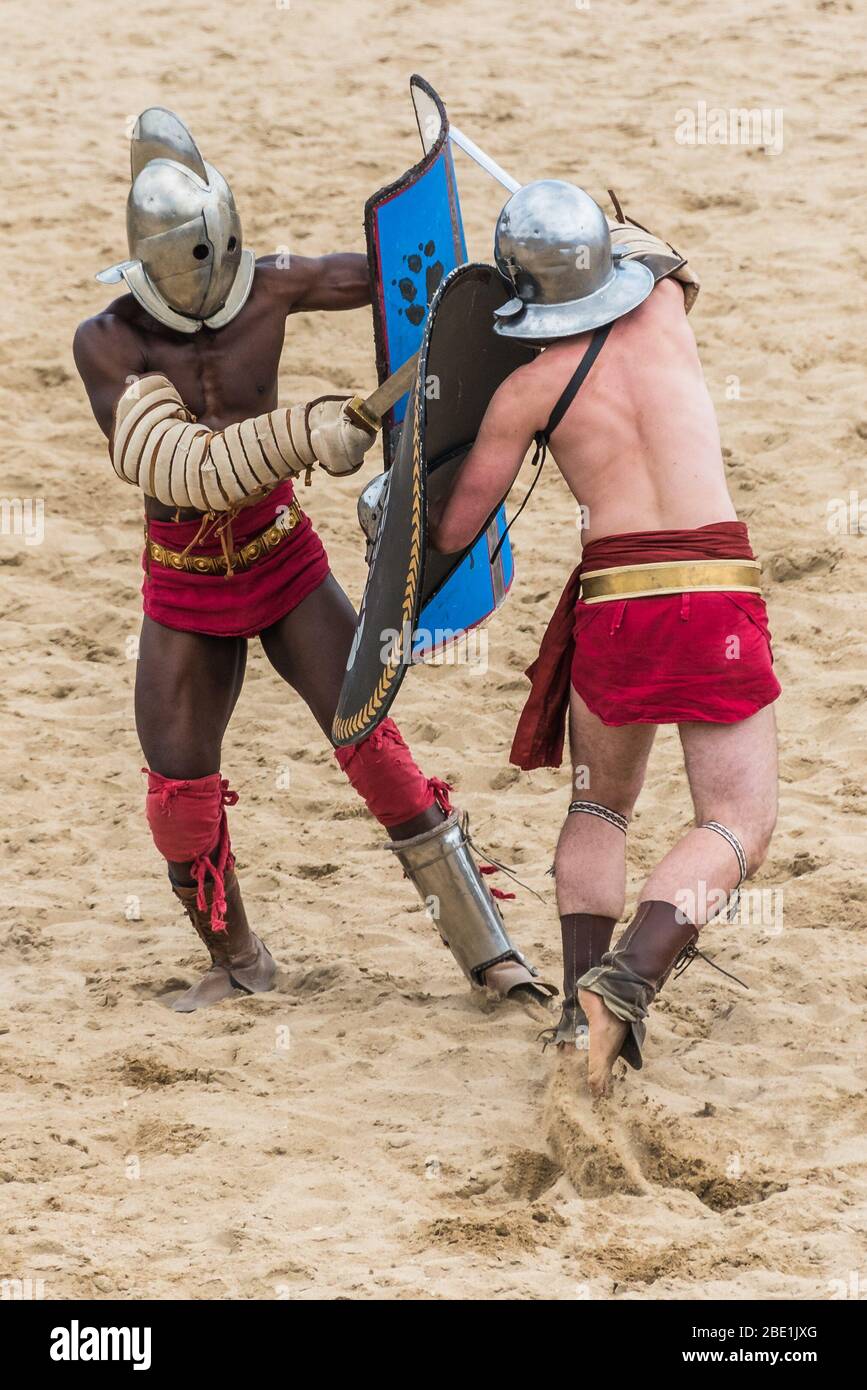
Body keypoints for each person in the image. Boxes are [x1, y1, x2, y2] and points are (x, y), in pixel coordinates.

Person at [73, 107, 554, 1013]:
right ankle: (238, 959)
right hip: (186, 576)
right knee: (179, 785)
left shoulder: (271, 285)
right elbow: (182, 465)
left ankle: (488, 951)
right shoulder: (108, 341)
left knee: (367, 734)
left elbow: (413, 277)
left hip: (281, 558)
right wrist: (307, 432)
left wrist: (524, 268)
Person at [429, 180, 780, 1095]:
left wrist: (394, 492)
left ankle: (573, 1012)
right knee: (736, 821)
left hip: (617, 602)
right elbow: (663, 254)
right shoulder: (663, 307)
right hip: (714, 597)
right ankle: (625, 984)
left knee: (599, 808)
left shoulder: (526, 390)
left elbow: (452, 531)